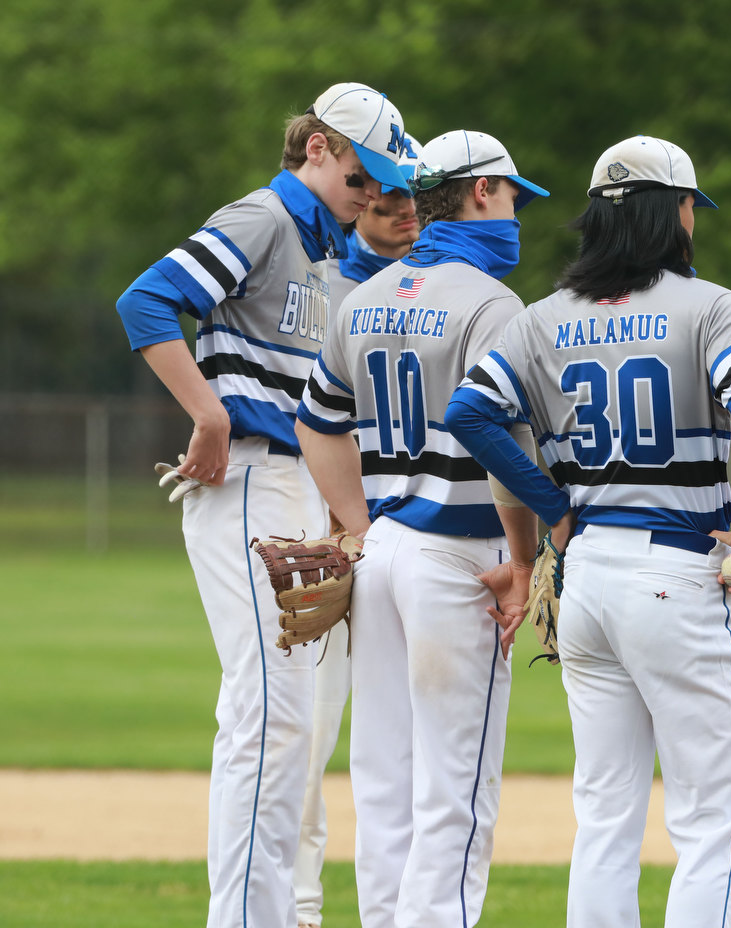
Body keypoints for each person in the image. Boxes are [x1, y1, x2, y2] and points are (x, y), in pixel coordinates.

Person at [444, 135, 731, 928]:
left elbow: (471, 413)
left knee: (604, 816)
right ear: (676, 212)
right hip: (676, 572)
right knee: (715, 817)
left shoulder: (542, 319)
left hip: (588, 576)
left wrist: (555, 508)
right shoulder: (711, 306)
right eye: (692, 206)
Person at [114, 82, 412, 928]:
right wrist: (207, 413)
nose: (371, 192)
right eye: (361, 173)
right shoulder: (264, 219)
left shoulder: (325, 247)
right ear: (317, 146)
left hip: (293, 487)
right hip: (249, 478)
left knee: (288, 722)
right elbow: (146, 299)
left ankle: (273, 913)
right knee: (271, 717)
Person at [295, 128, 549, 928]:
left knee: (384, 779)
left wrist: (360, 525)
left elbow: (315, 423)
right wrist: (524, 561)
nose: (515, 215)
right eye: (511, 197)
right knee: (455, 791)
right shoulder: (491, 303)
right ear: (480, 191)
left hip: (383, 555)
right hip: (461, 558)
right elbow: (504, 443)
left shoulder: (365, 295)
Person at [292, 135, 421, 928]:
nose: (403, 209)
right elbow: (310, 419)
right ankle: (301, 906)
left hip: (409, 534)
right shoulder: (330, 284)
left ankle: (409, 908)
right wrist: (338, 520)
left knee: (405, 739)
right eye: (388, 194)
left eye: (414, 197)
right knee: (309, 724)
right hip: (335, 525)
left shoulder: (436, 289)